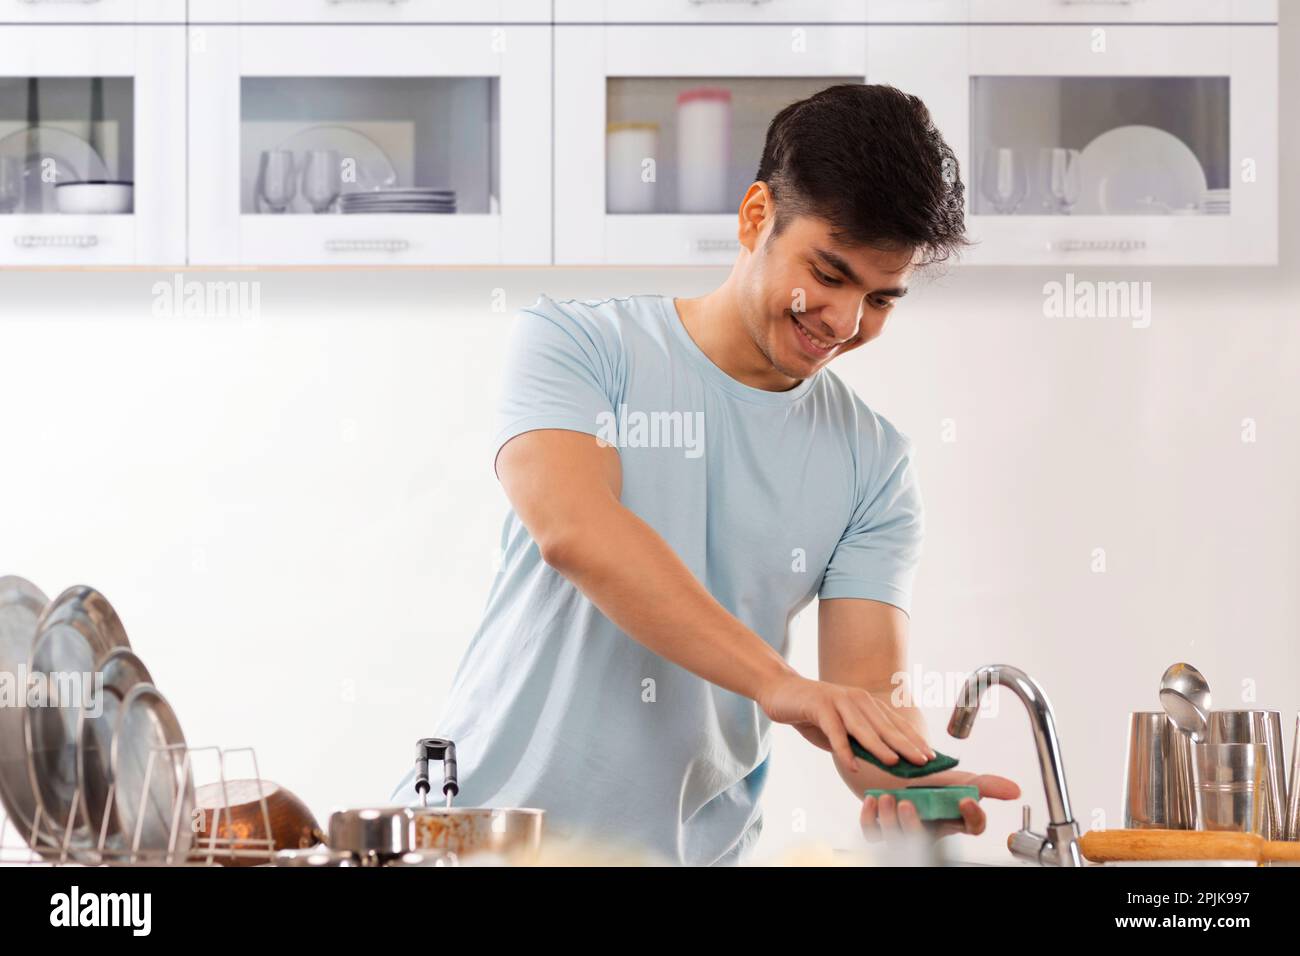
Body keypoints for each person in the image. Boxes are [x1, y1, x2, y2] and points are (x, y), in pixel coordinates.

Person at [391, 83, 1019, 864]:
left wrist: (913, 781)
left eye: (881, 300)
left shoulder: (875, 464)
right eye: (828, 274)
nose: (846, 324)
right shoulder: (578, 346)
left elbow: (862, 693)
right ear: (756, 216)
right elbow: (576, 532)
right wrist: (780, 684)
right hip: (483, 840)